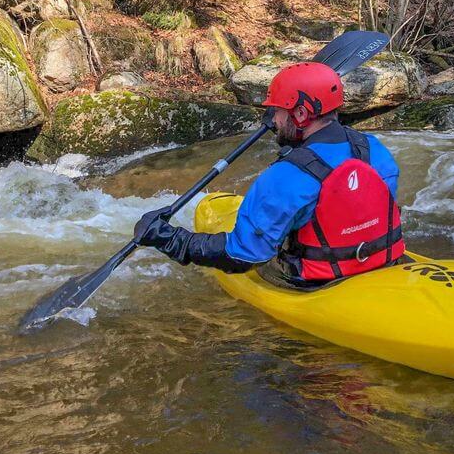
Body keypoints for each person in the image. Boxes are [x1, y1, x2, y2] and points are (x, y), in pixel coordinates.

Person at [133, 61, 405, 288]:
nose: (272, 120)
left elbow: (241, 256)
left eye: (276, 111)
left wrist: (169, 238)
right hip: (381, 262)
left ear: (300, 114)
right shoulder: (373, 149)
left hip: (318, 283)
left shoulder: (285, 177)